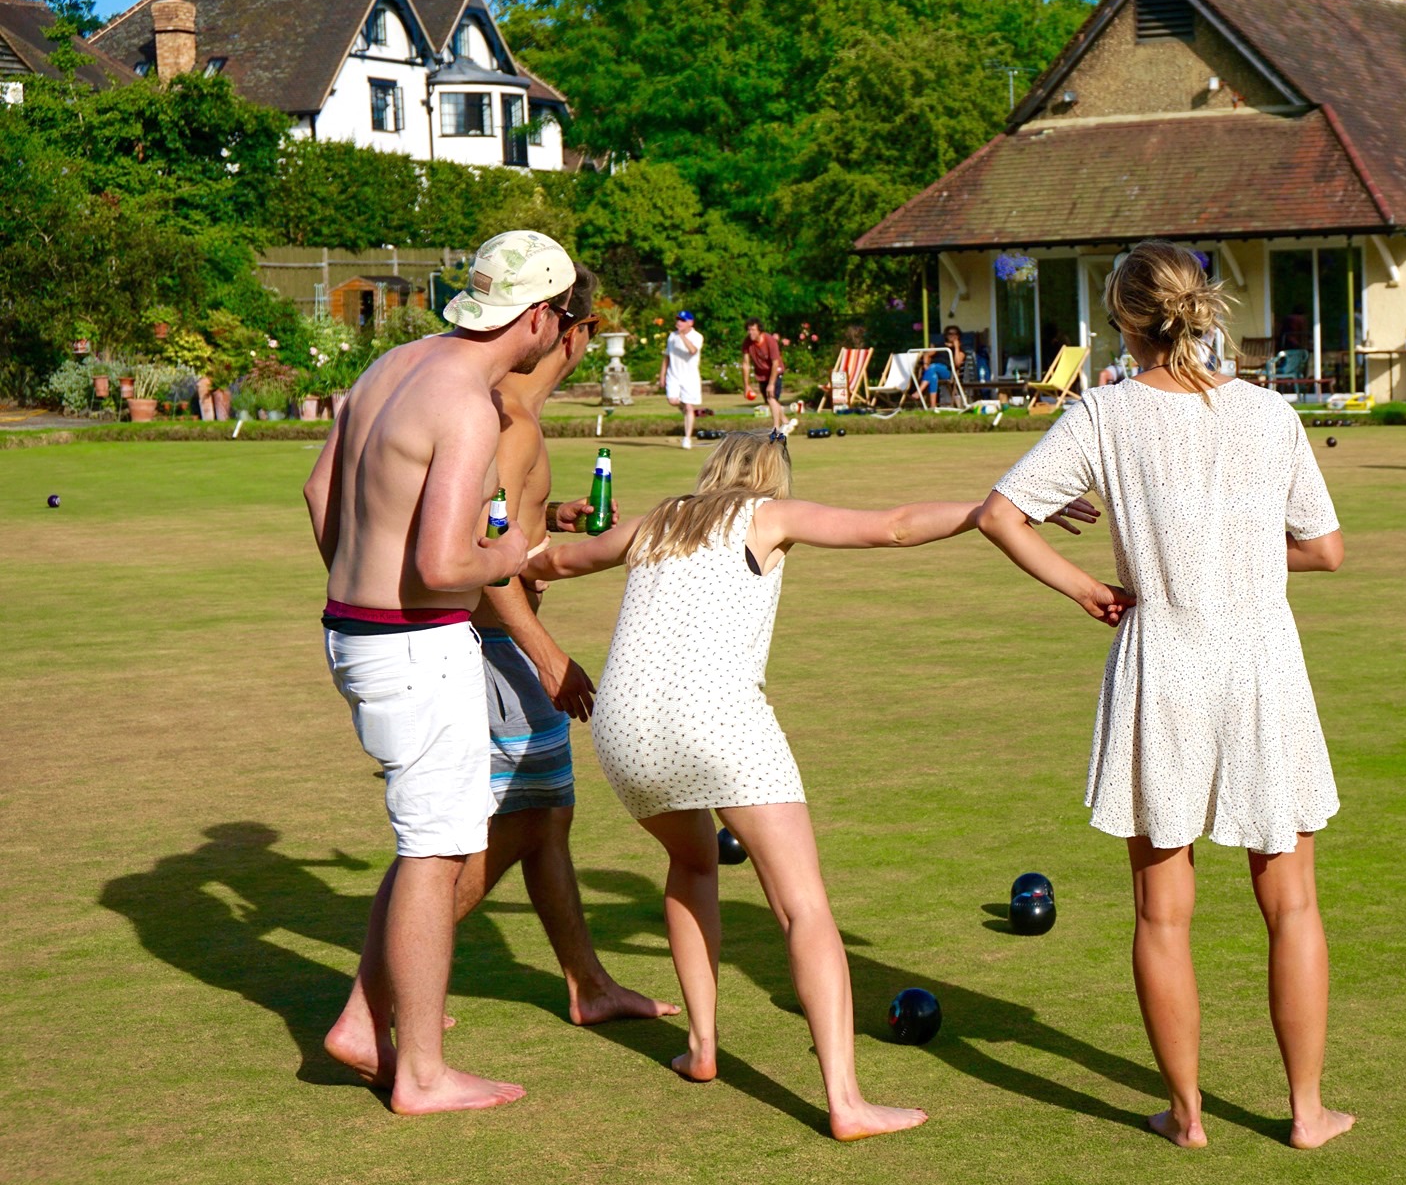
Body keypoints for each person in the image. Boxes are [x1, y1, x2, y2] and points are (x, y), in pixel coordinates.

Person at [522, 433, 1094, 1139]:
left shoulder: (657, 519)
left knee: (692, 860)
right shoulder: (767, 515)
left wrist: (509, 552)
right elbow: (892, 526)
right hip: (716, 716)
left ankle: (702, 1048)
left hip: (622, 725)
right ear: (768, 479)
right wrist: (991, 510)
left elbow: (550, 559)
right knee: (803, 907)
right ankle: (846, 1102)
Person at [975, 240, 1354, 1152]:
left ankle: (1186, 1117)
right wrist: (1247, 561)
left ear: (1122, 320)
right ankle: (1306, 1113)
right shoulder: (1270, 413)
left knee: (1161, 912)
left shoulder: (1104, 414)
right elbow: (1327, 548)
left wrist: (1085, 588)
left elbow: (1000, 514)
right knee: (1292, 901)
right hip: (1262, 664)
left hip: (1165, 661)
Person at [323, 263, 680, 1072]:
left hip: (413, 634)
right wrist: (544, 648)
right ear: (565, 328)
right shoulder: (497, 413)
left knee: (545, 814)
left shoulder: (429, 379)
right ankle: (371, 1005)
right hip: (476, 642)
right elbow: (480, 562)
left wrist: (541, 523)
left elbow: (338, 501)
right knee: (484, 832)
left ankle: (586, 980)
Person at [302, 229, 569, 1114]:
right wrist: (513, 552)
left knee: (426, 839)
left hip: (356, 629)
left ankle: (362, 1025)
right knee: (437, 850)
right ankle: (419, 1071)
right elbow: (448, 564)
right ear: (535, 317)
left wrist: (359, 580)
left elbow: (317, 493)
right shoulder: (468, 403)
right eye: (561, 318)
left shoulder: (394, 362)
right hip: (413, 644)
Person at [659, 310, 705, 448]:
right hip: (673, 375)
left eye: (682, 320)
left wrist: (682, 336)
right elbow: (666, 357)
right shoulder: (671, 336)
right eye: (678, 320)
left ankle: (687, 438)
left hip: (690, 377)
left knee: (689, 405)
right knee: (673, 401)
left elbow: (692, 350)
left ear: (690, 323)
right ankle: (687, 410)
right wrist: (662, 375)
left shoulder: (697, 336)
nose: (679, 322)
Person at [740, 318, 787, 432]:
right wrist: (747, 385)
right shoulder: (747, 342)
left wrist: (771, 384)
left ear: (759, 330)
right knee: (771, 401)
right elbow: (746, 364)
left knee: (771, 398)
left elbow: (775, 363)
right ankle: (786, 422)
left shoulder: (770, 341)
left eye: (753, 330)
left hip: (775, 372)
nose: (750, 332)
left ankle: (776, 428)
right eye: (749, 329)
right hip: (761, 374)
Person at [919, 326, 967, 407]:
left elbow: (958, 363)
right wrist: (925, 365)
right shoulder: (939, 346)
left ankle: (919, 391)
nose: (953, 335)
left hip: (947, 373)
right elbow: (927, 354)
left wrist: (956, 347)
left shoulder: (960, 349)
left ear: (959, 336)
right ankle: (933, 407)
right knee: (933, 376)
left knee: (933, 366)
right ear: (946, 335)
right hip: (933, 371)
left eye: (955, 333)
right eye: (950, 334)